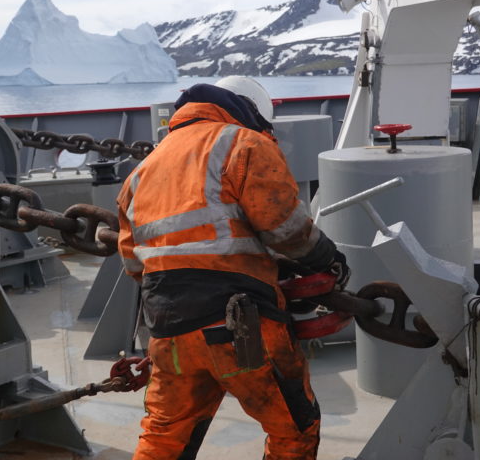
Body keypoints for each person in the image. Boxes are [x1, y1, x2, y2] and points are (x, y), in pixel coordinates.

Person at [116, 81, 346, 460]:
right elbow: (284, 229)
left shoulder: (141, 171)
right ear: (251, 113)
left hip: (168, 332)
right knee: (293, 427)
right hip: (239, 326)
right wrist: (327, 257)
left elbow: (132, 263)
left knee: (164, 435)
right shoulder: (245, 143)